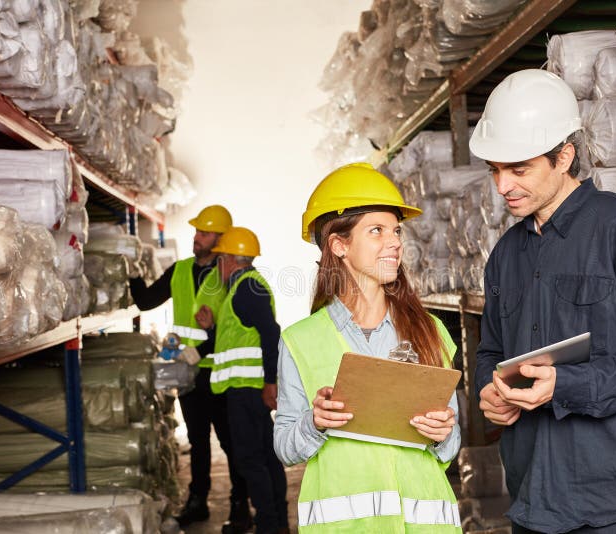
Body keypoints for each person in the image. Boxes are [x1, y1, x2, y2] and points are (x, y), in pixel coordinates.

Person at [470, 69, 616, 534]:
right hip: (534, 497)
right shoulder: (504, 256)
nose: (503, 186)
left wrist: (567, 385)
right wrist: (489, 390)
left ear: (564, 156)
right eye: (496, 170)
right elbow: (491, 353)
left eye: (519, 169)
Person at [273, 163, 462, 533]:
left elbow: (451, 444)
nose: (394, 242)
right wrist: (315, 423)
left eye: (396, 231)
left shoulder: (431, 331)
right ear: (339, 245)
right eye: (377, 231)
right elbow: (284, 447)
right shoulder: (301, 341)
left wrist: (442, 433)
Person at [129, 205, 251, 531]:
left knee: (231, 442)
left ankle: (240, 507)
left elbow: (235, 325)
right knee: (197, 440)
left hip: (223, 373)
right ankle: (197, 502)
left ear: (221, 239)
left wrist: (200, 351)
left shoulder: (231, 274)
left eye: (204, 233)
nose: (196, 238)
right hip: (190, 375)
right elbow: (145, 301)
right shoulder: (179, 271)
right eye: (196, 231)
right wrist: (130, 270)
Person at [206, 226, 289, 534]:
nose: (218, 267)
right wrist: (213, 328)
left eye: (220, 260)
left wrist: (271, 382)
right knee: (265, 457)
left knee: (252, 461)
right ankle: (277, 525)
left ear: (228, 259)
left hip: (248, 391)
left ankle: (269, 525)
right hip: (248, 389)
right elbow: (243, 337)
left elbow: (271, 332)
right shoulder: (246, 287)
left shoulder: (246, 289)